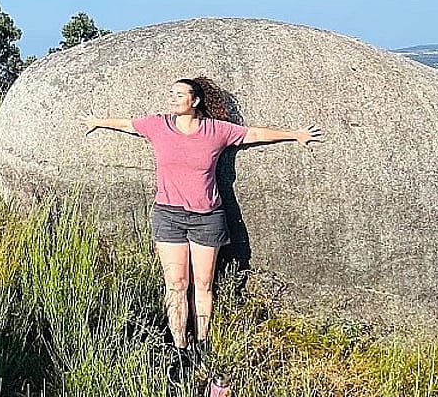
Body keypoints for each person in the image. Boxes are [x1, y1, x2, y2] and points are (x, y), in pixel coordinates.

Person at [82, 77, 323, 384]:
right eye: (171, 94)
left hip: (207, 217)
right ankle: (180, 350)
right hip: (168, 215)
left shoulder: (215, 131)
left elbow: (253, 134)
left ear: (194, 101)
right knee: (176, 284)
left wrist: (294, 135)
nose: (172, 99)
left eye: (179, 94)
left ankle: (203, 347)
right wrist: (98, 122)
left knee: (204, 284)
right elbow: (129, 124)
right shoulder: (158, 126)